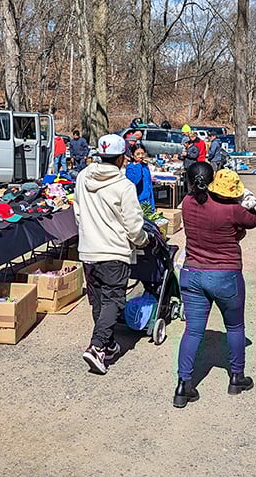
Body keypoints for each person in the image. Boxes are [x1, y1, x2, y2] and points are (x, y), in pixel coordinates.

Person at [173, 165, 256, 408]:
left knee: (192, 330)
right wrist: (244, 197)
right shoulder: (231, 209)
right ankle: (236, 377)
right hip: (225, 275)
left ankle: (183, 385)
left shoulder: (188, 203)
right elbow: (253, 220)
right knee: (234, 326)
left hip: (192, 273)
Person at [74, 133, 150, 374]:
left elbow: (77, 210)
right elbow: (133, 224)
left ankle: (107, 344)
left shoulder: (83, 176)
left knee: (98, 299)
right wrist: (142, 241)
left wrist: (87, 231)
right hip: (114, 251)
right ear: (120, 158)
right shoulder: (123, 185)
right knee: (114, 300)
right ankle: (96, 347)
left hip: (88, 250)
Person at [125, 143, 155, 211]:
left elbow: (149, 185)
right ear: (132, 155)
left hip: (147, 201)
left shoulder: (145, 166)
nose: (141, 156)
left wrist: (152, 204)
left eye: (142, 153)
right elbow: (135, 180)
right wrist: (138, 165)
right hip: (137, 201)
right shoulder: (130, 168)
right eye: (138, 154)